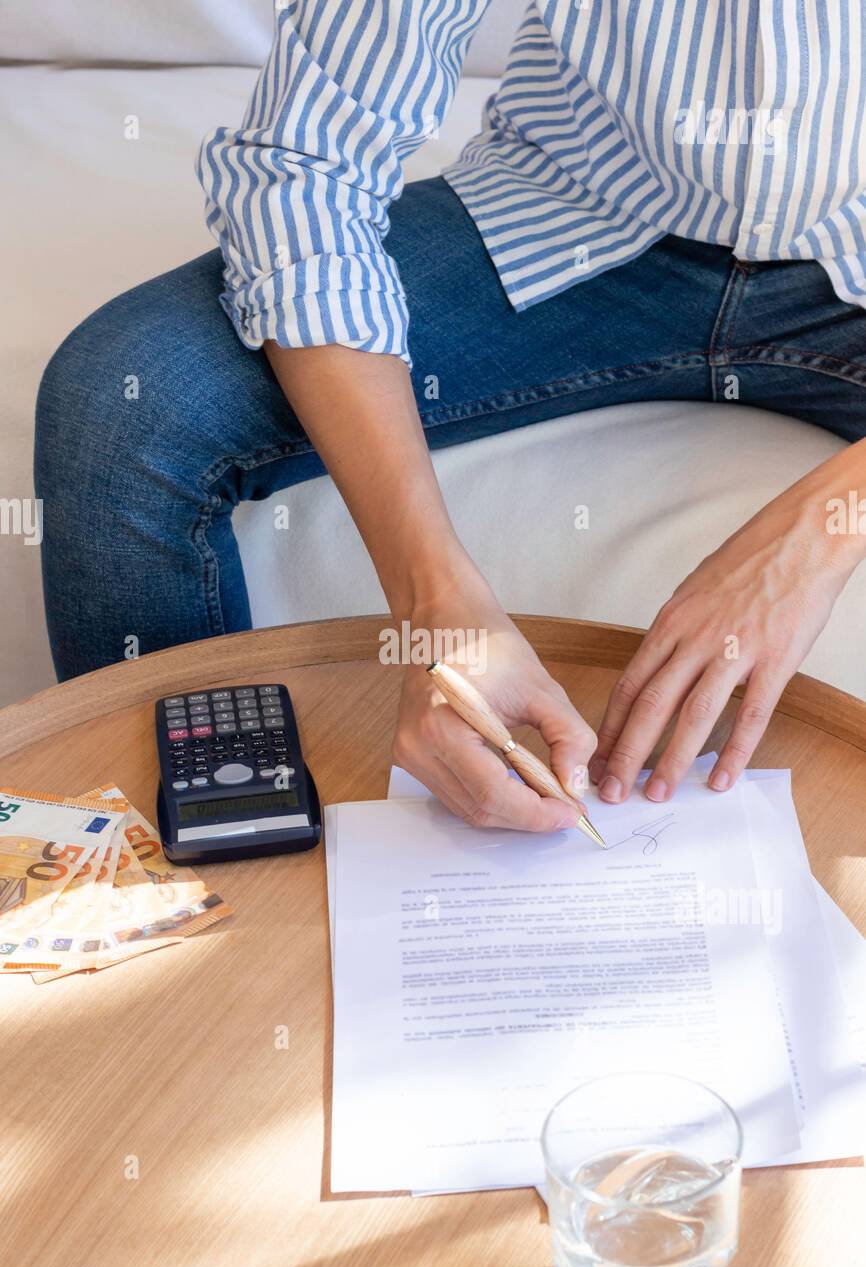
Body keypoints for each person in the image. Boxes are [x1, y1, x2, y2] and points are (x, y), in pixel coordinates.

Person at [35, 1, 866, 832]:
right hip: (584, 212)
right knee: (124, 407)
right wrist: (437, 603)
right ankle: (163, 886)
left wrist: (816, 533)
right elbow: (306, 164)